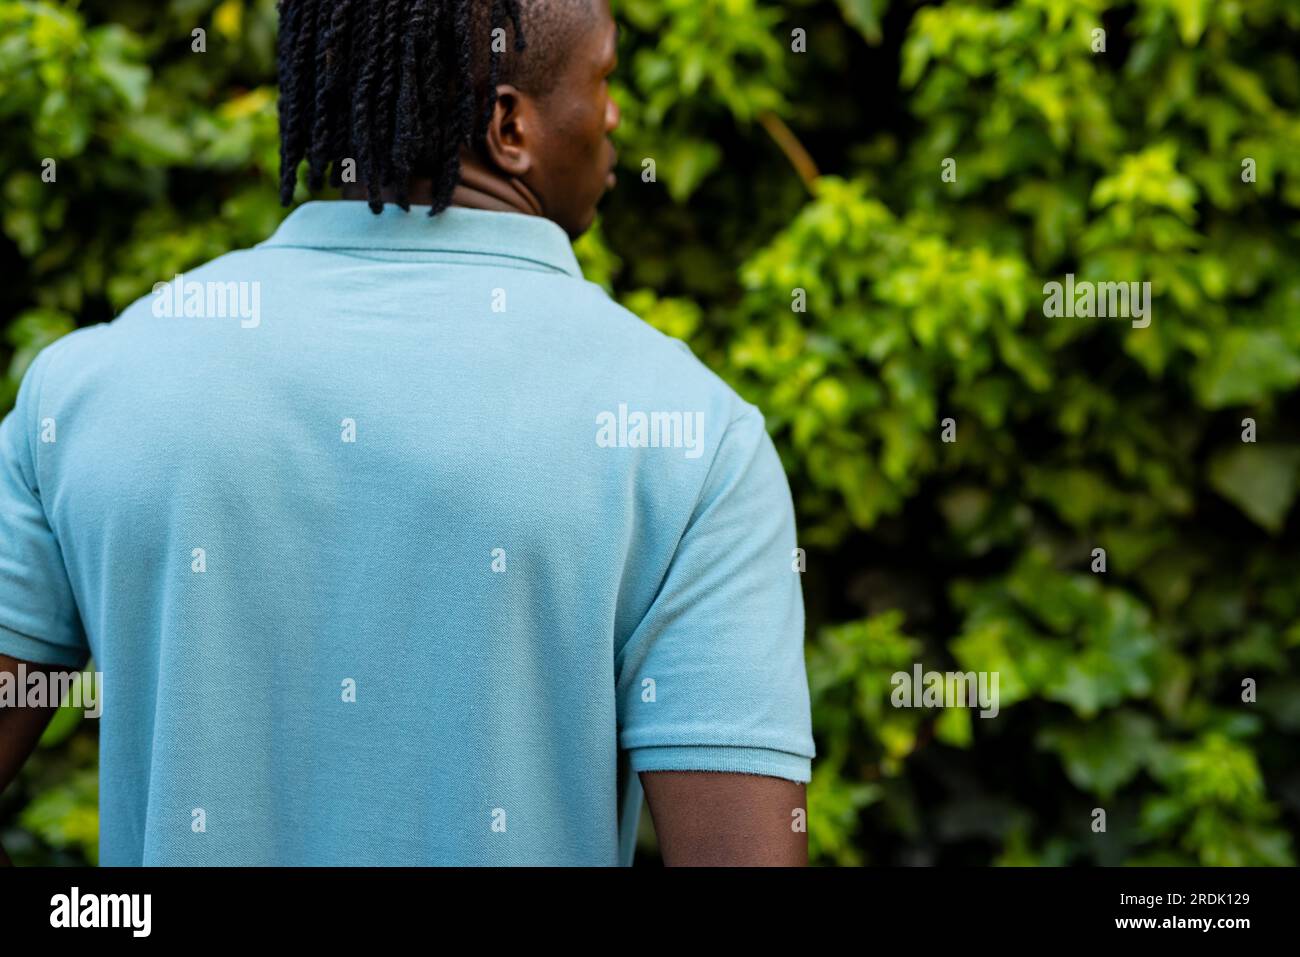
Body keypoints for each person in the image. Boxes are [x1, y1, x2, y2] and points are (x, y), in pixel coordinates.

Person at [0, 0, 815, 866]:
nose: (613, 114)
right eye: (604, 79)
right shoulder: (693, 438)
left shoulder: (90, 388)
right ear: (509, 126)